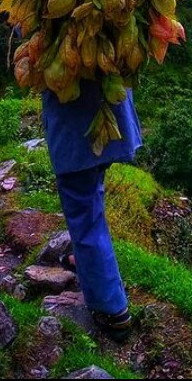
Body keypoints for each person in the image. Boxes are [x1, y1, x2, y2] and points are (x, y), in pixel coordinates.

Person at [41, 78, 143, 341]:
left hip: (76, 125)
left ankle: (112, 309)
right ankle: (85, 261)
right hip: (110, 110)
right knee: (91, 189)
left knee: (83, 209)